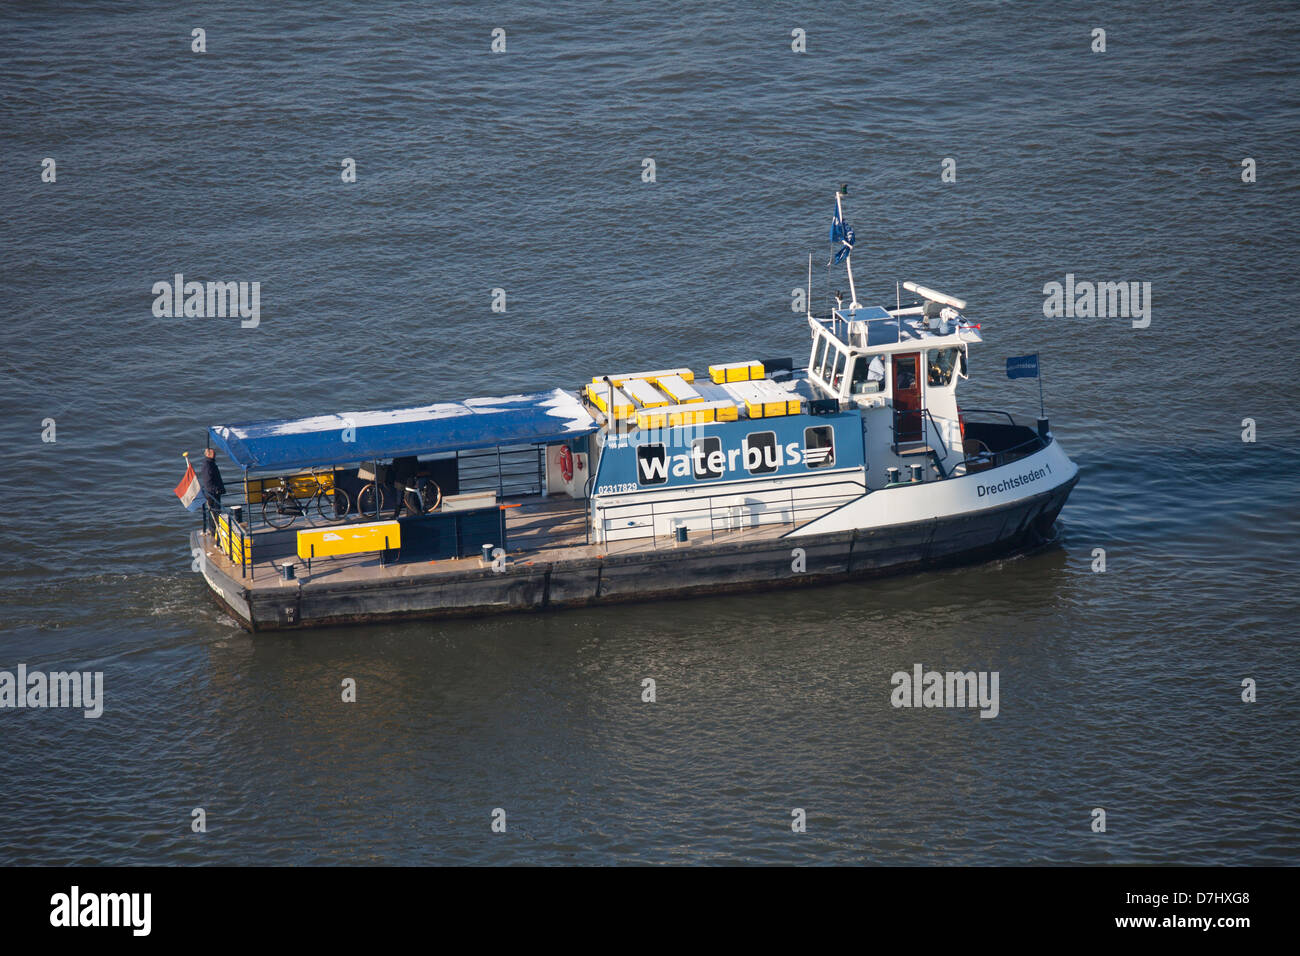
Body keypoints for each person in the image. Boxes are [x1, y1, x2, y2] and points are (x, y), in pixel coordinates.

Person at [198, 447, 226, 513]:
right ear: (207, 454)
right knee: (214, 511)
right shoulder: (208, 465)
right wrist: (215, 490)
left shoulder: (211, 463)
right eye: (212, 453)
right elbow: (208, 480)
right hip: (212, 493)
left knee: (217, 510)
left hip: (215, 492)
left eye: (214, 453)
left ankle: (216, 520)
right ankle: (214, 522)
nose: (214, 454)